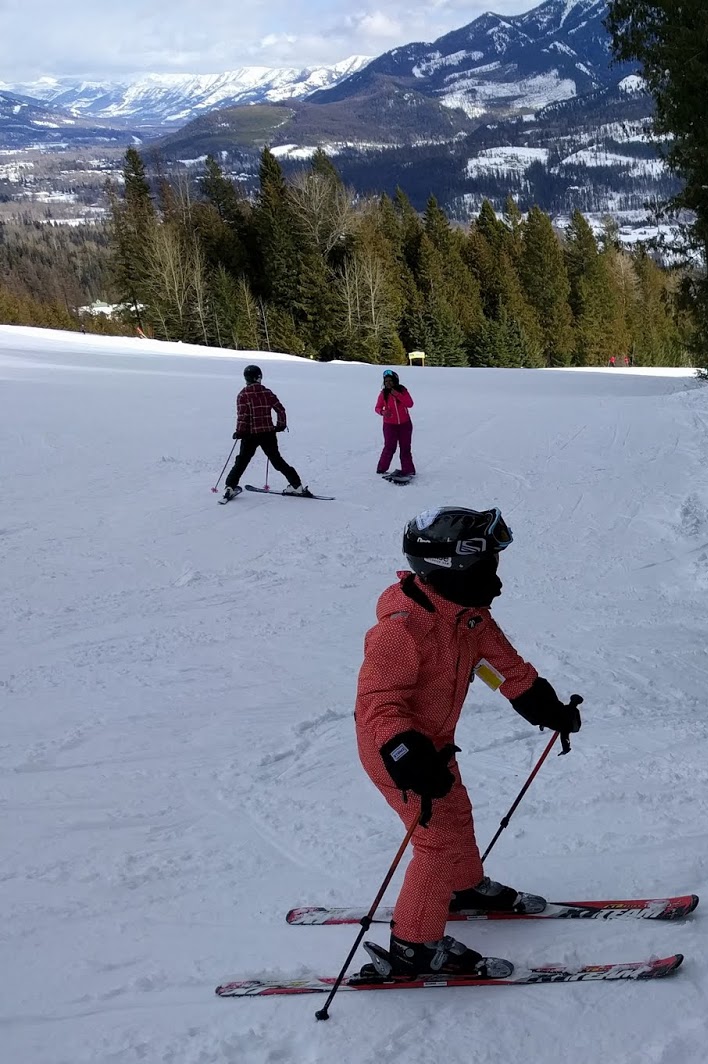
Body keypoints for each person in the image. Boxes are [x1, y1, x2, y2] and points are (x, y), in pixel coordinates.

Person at [354, 506, 582, 978]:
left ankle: (460, 887)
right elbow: (379, 703)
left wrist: (547, 708)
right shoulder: (401, 630)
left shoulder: (468, 618)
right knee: (436, 841)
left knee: (456, 814)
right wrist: (405, 752)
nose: (495, 581)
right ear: (451, 569)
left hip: (434, 746)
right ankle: (413, 945)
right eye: (486, 568)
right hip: (399, 753)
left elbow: (504, 669)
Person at [222, 364, 312, 501]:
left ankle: (230, 487)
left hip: (250, 435)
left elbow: (242, 416)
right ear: (259, 377)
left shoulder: (243, 395)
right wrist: (280, 425)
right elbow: (280, 409)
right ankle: (296, 485)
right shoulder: (267, 392)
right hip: (268, 434)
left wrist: (239, 432)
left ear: (246, 378)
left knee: (242, 461)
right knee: (277, 460)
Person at [375, 369, 416, 478]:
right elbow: (377, 408)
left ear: (395, 381)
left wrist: (397, 394)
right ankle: (381, 469)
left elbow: (409, 404)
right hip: (389, 425)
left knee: (405, 448)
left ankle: (408, 470)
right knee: (389, 447)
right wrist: (383, 412)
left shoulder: (402, 390)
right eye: (386, 381)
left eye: (390, 381)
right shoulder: (383, 394)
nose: (388, 383)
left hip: (405, 424)